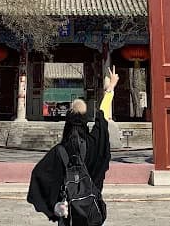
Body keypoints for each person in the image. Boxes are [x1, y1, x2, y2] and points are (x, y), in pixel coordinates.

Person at [27, 66, 120, 224]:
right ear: (85, 121)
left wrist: (54, 206)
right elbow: (102, 117)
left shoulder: (59, 151)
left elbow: (39, 176)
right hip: (91, 208)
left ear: (67, 123)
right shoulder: (95, 143)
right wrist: (110, 88)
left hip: (68, 213)